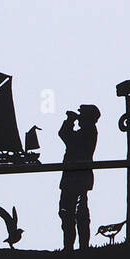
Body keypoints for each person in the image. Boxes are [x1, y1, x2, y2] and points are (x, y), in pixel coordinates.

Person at [58, 104, 100, 250]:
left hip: (75, 179)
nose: (79, 118)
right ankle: (76, 247)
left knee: (72, 213)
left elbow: (65, 135)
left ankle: (74, 248)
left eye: (82, 115)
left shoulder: (87, 132)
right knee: (72, 213)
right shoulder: (88, 131)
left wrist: (70, 120)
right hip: (78, 178)